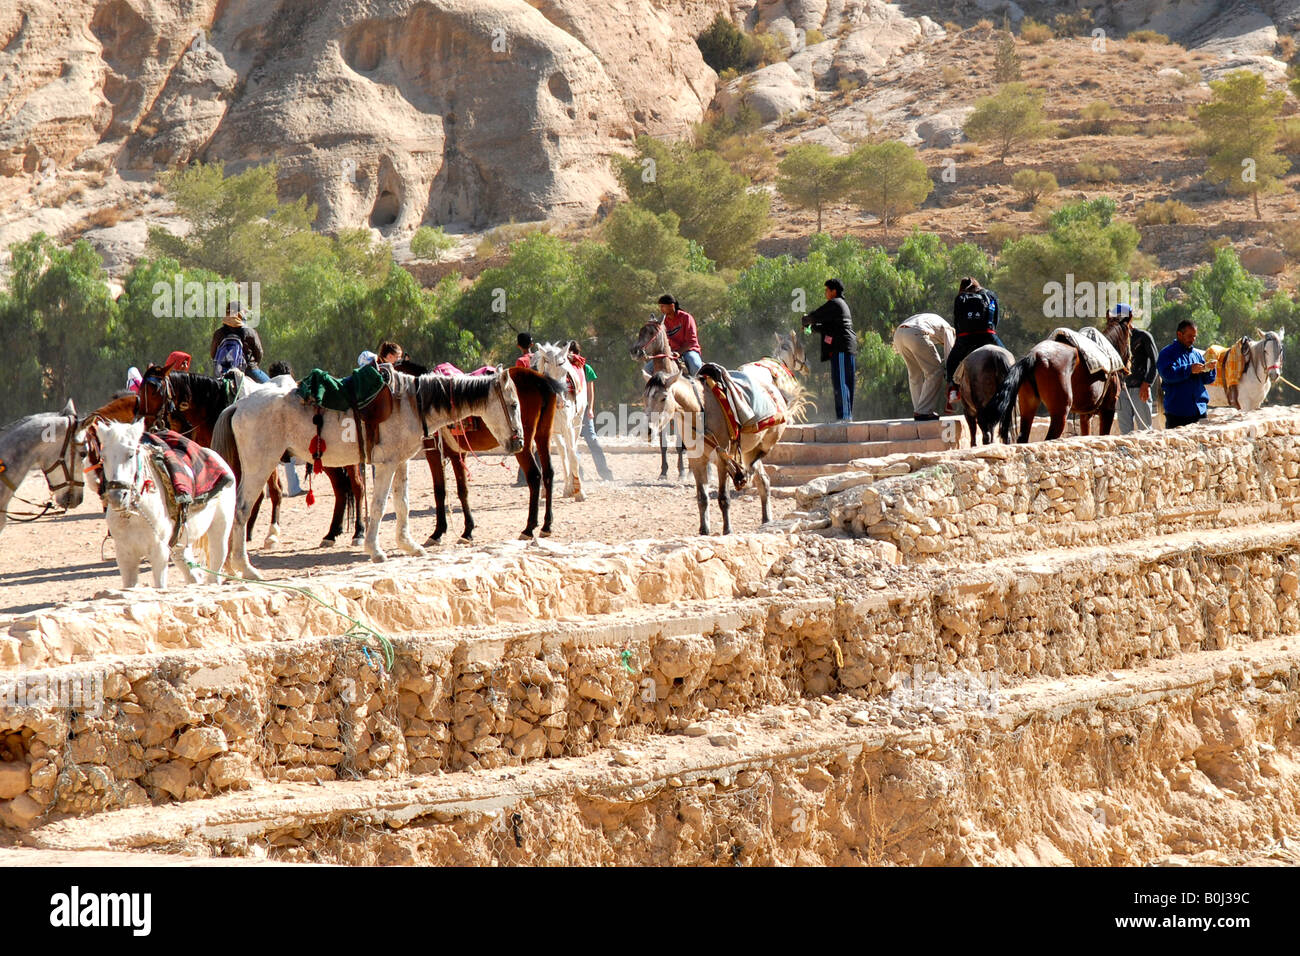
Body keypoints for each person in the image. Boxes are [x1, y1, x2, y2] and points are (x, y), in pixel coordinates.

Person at [803, 278, 857, 422]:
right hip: (846, 347)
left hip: (841, 348)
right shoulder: (839, 306)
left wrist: (806, 319)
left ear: (834, 291)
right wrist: (811, 327)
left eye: (827, 290)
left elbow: (816, 315)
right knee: (845, 383)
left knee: (841, 383)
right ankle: (845, 416)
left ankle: (845, 418)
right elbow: (825, 326)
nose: (825, 293)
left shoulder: (835, 303)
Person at [945, 277, 1003, 412]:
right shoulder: (991, 295)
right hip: (988, 335)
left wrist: (961, 337)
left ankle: (953, 390)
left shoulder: (960, 298)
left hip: (965, 337)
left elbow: (957, 321)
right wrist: (991, 333)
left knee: (951, 362)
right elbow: (996, 320)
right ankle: (1015, 388)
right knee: (1009, 360)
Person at [892, 313, 955, 421]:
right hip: (916, 333)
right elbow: (950, 357)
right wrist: (951, 381)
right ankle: (924, 411)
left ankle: (919, 410)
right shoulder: (950, 330)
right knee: (935, 371)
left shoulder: (934, 320)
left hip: (899, 334)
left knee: (914, 374)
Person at [569, 341, 614, 481]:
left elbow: (590, 391)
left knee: (592, 441)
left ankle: (604, 473)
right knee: (573, 443)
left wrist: (590, 409)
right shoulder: (566, 370)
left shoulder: (585, 368)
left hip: (583, 411)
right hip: (571, 412)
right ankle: (578, 474)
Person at [1157, 320, 1216, 429]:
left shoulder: (1197, 355)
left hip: (1200, 411)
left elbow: (1207, 380)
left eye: (1194, 336)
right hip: (1178, 413)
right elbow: (1167, 375)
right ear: (1179, 334)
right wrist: (1189, 369)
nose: (1193, 340)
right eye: (1190, 336)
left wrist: (1209, 369)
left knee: (1202, 444)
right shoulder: (1167, 354)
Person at [1112, 304, 1157, 434]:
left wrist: (1147, 384)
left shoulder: (1143, 337)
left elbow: (1155, 362)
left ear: (1130, 317)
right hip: (1122, 390)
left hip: (1140, 389)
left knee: (1145, 430)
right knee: (1125, 431)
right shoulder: (1115, 341)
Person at [211, 303, 270, 383]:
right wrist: (253, 366)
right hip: (249, 370)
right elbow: (259, 353)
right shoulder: (250, 332)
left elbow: (213, 354)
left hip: (222, 372)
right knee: (271, 385)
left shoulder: (218, 333)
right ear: (241, 315)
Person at [656, 295, 703, 376]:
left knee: (695, 366)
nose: (661, 309)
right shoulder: (662, 322)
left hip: (689, 351)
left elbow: (691, 341)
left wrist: (678, 352)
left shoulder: (686, 317)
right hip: (669, 353)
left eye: (663, 306)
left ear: (672, 306)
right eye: (660, 307)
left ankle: (700, 387)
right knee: (647, 369)